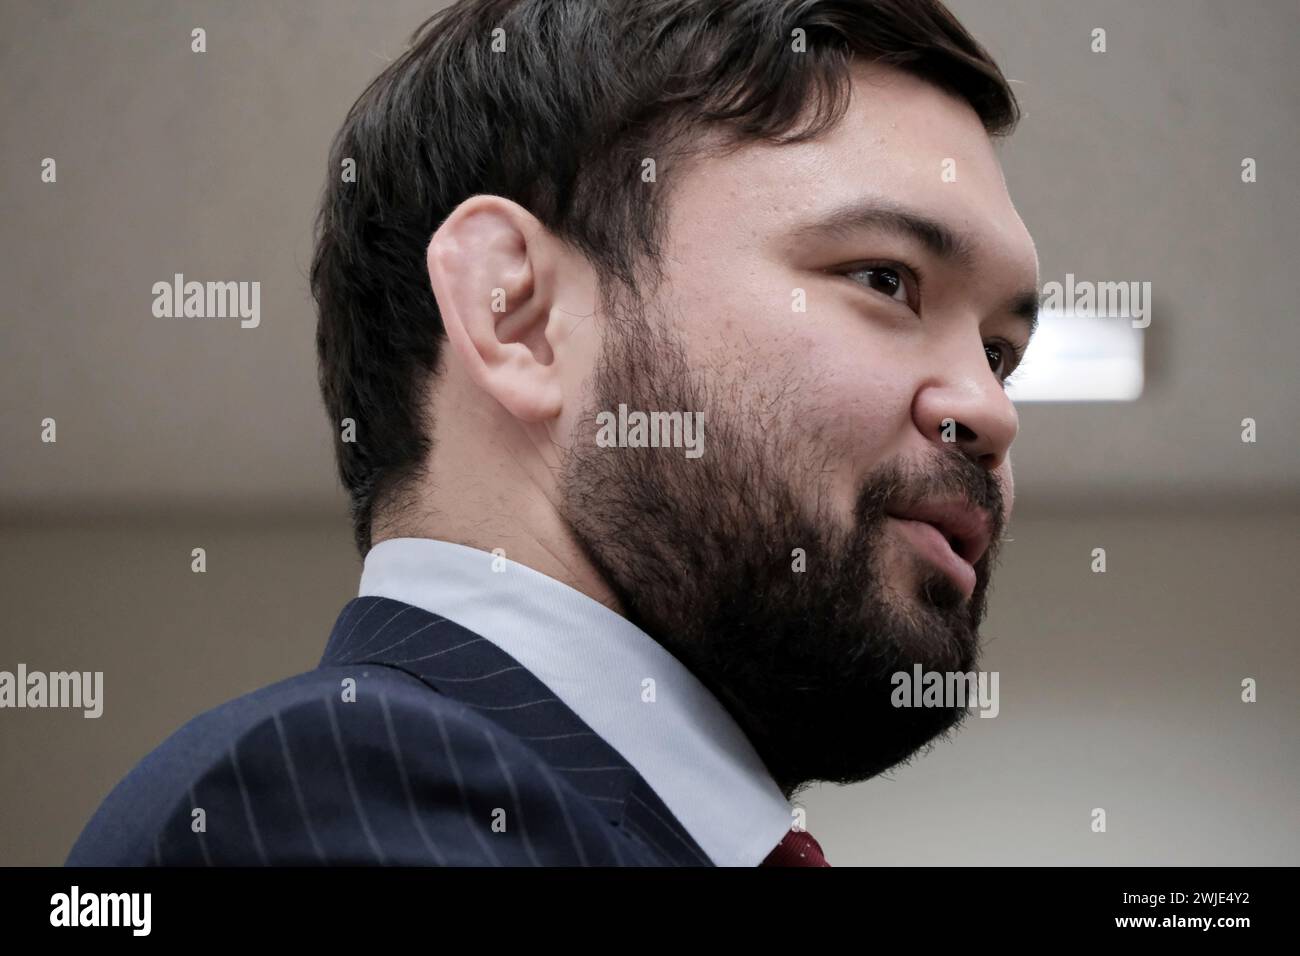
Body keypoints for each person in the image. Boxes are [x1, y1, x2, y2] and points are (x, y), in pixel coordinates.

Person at [69, 0, 1039, 867]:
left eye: (1000, 354)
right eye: (885, 278)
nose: (990, 411)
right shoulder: (329, 799)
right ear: (518, 313)